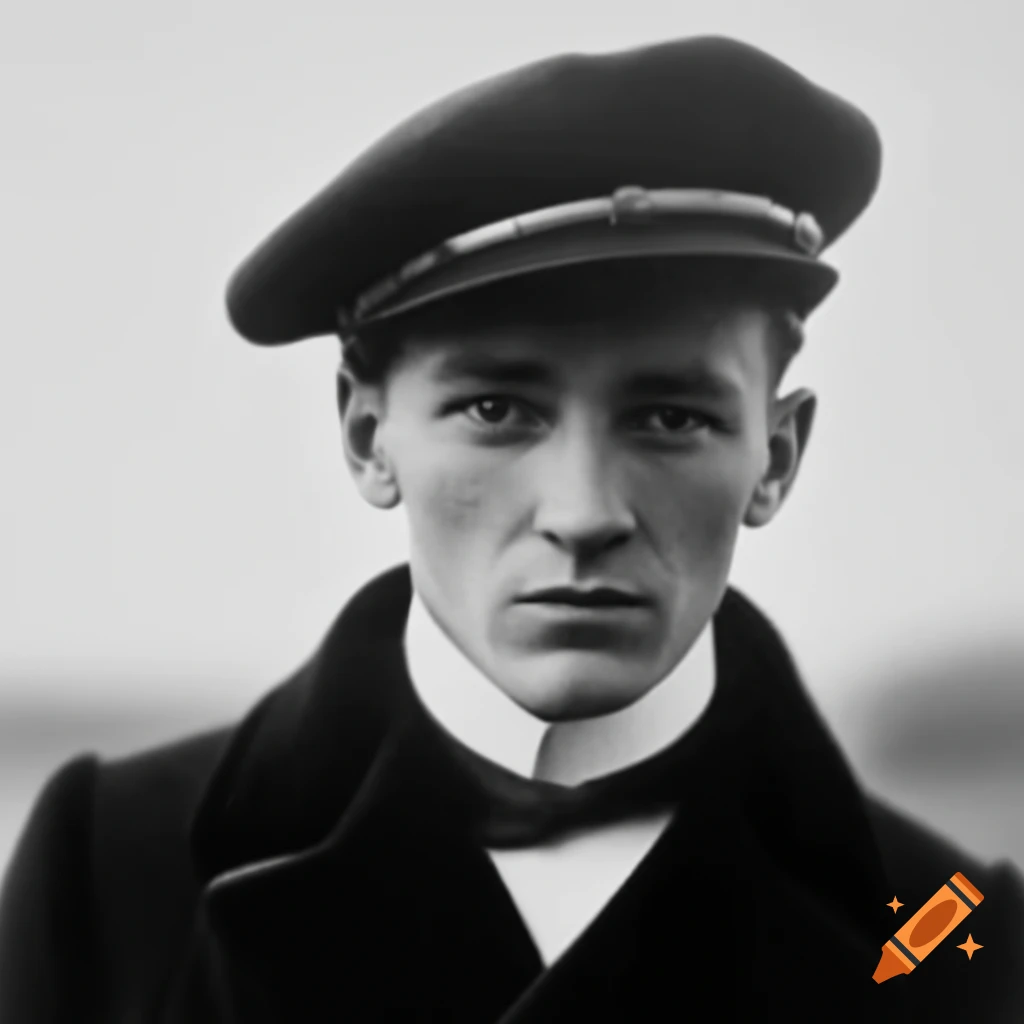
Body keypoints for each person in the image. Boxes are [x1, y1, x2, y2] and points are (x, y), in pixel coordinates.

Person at [0, 34, 1021, 1023]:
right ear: (366, 437)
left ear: (777, 456)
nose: (583, 515)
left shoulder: (943, 934)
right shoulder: (114, 872)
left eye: (671, 419)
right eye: (496, 410)